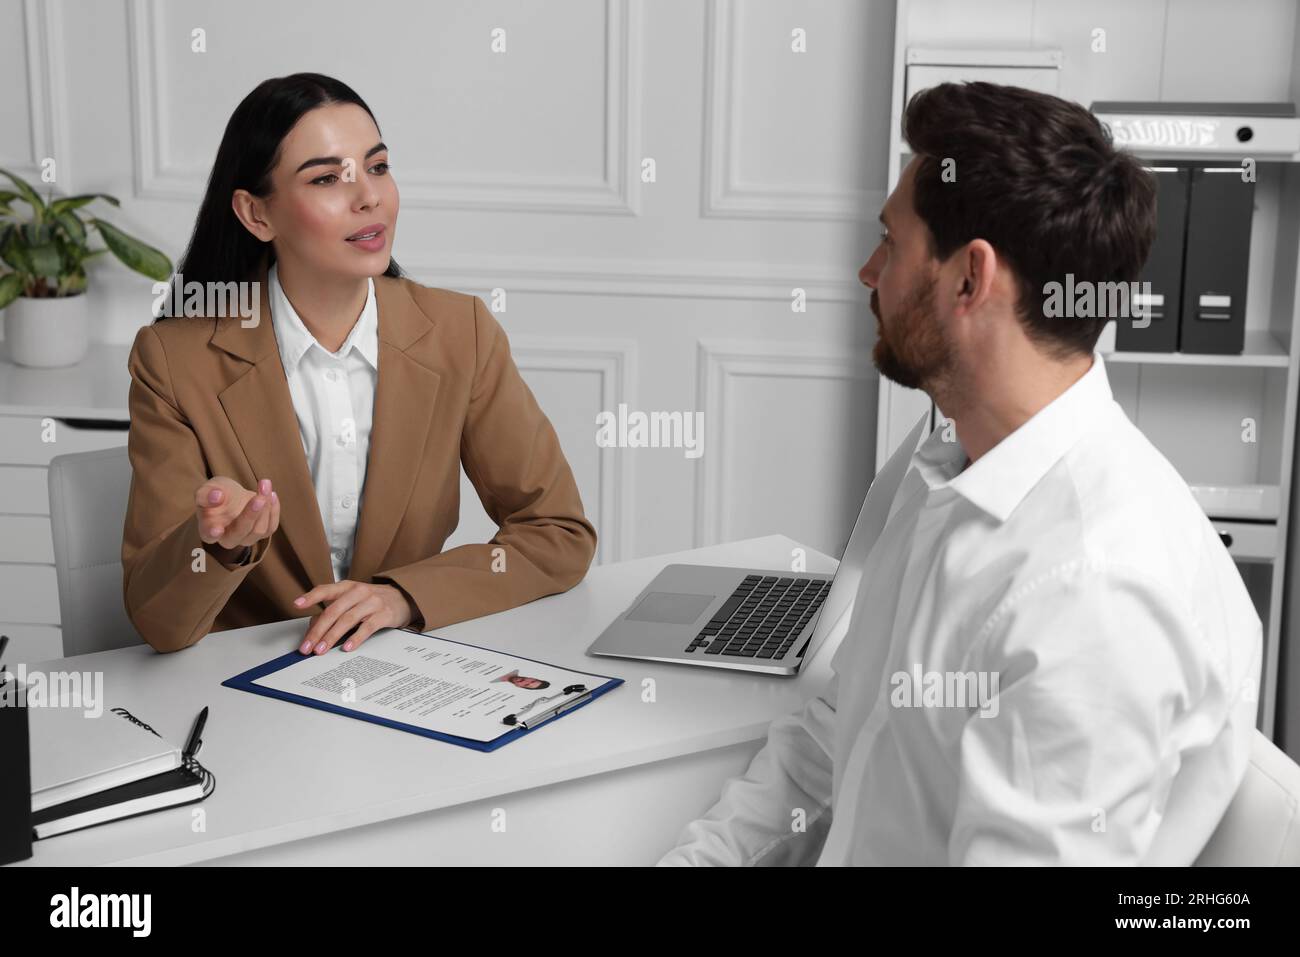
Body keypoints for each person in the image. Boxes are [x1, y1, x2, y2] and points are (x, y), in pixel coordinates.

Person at [659, 81, 1262, 866]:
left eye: (892, 243)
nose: (867, 272)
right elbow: (836, 734)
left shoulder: (1097, 591)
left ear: (969, 279)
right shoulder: (949, 471)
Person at [122, 73, 597, 655]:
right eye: (326, 178)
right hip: (243, 696)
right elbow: (158, 624)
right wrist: (218, 543)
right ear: (255, 214)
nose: (369, 197)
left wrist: (405, 596)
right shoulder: (173, 360)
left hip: (403, 676)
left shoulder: (461, 333)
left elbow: (558, 533)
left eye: (377, 167)